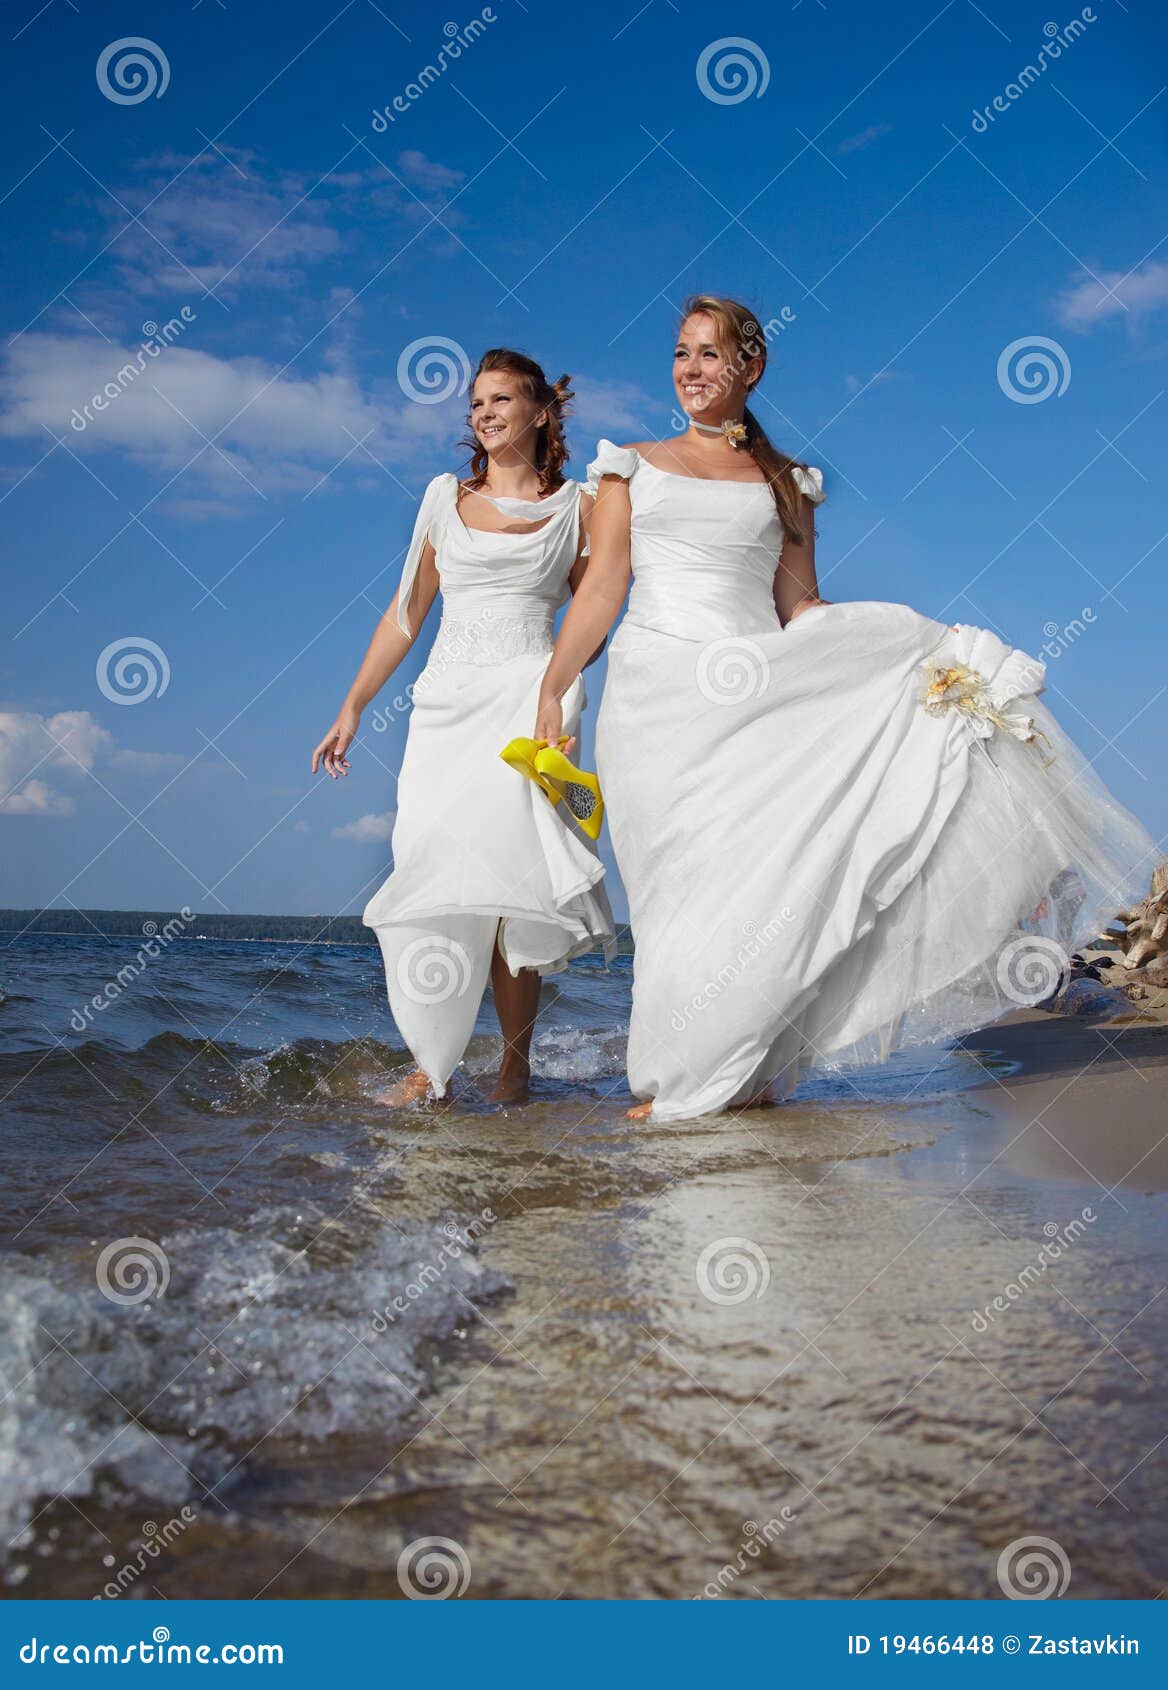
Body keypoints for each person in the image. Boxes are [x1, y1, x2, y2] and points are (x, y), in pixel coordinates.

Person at [535, 294, 1156, 1121]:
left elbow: (801, 608)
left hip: (757, 699)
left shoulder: (786, 483)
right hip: (655, 703)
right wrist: (554, 685)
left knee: (754, 881)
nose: (691, 369)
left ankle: (717, 1073)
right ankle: (702, 1065)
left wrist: (908, 647)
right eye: (682, 352)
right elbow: (603, 588)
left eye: (711, 353)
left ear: (751, 367)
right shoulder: (630, 468)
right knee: (672, 890)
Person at [314, 349, 614, 1105]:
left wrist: (558, 692)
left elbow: (594, 616)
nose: (484, 413)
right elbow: (405, 614)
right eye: (476, 403)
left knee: (513, 886)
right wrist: (353, 705)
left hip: (530, 704)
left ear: (540, 411)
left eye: (501, 399)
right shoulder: (443, 499)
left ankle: (514, 1067)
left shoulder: (578, 508)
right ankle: (432, 1063)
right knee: (432, 865)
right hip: (446, 708)